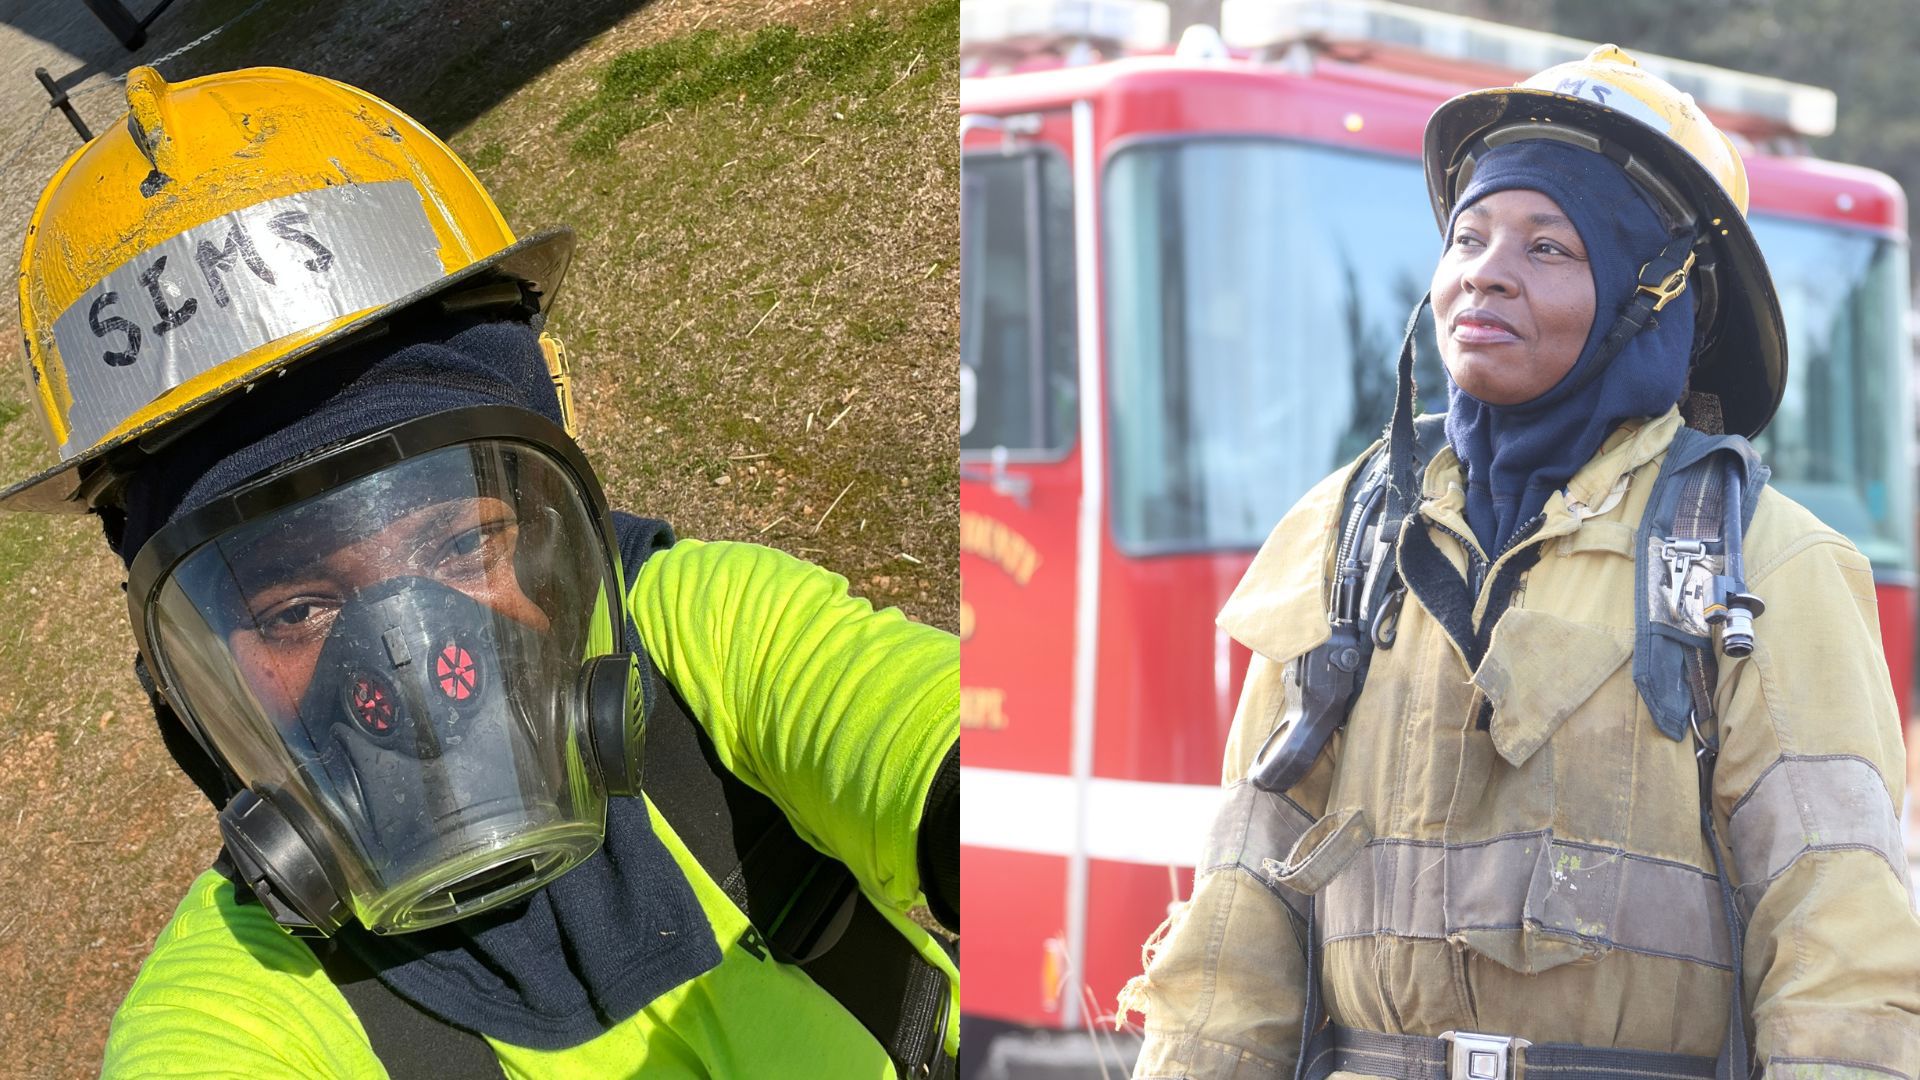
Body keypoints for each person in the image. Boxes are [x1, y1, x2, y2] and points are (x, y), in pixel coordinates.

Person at [2, 65, 959, 1078]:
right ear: (188, 676)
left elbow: (947, 736)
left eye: (460, 544)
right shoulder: (249, 1009)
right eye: (296, 607)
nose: (408, 657)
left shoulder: (696, 639)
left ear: (559, 525)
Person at [1119, 46, 1920, 1078]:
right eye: (1471, 235)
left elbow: (1842, 962)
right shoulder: (1350, 534)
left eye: (1550, 246)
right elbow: (1239, 920)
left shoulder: (1767, 565)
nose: (1486, 270)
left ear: (1655, 296)